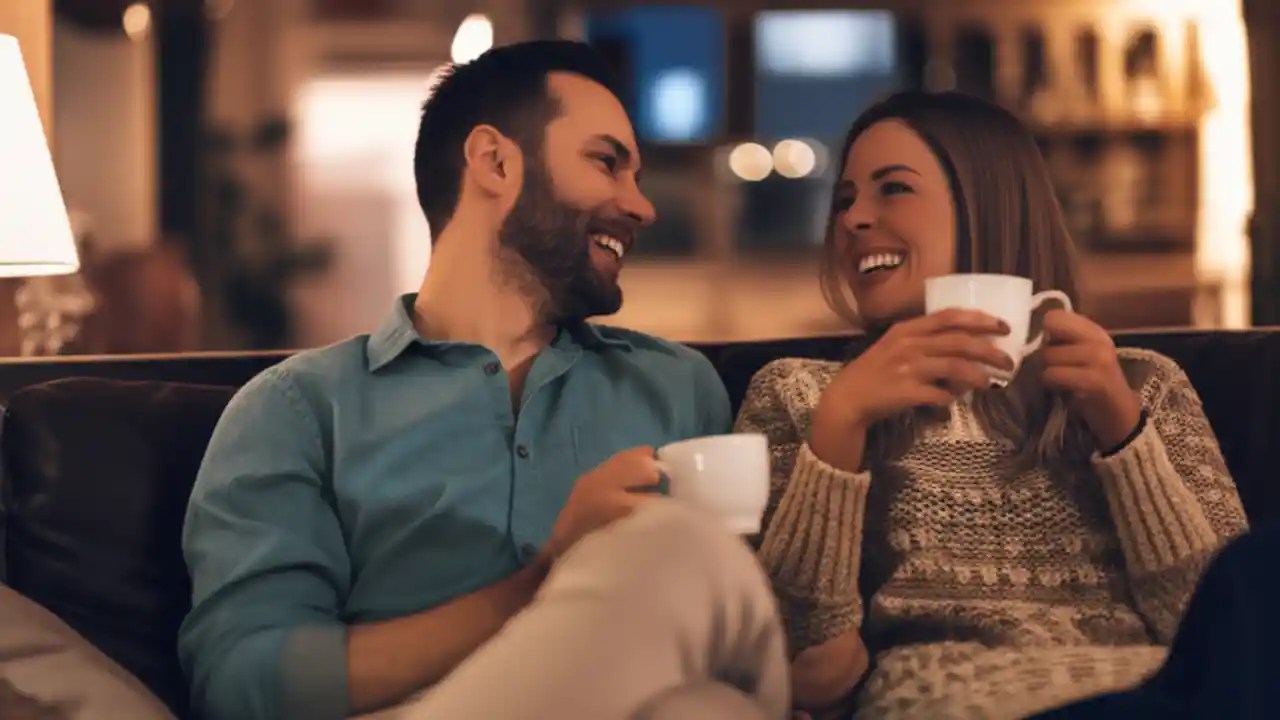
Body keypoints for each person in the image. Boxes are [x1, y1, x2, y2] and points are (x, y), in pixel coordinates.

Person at [179, 40, 789, 720]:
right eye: (606, 162)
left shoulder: (674, 385)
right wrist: (548, 578)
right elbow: (247, 684)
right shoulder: (298, 409)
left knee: (704, 706)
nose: (642, 206)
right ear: (495, 162)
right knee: (674, 554)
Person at [734, 90, 1250, 719]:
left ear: (988, 206)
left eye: (893, 189)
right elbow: (800, 674)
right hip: (965, 699)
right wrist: (839, 429)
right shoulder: (801, 395)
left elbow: (1230, 629)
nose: (852, 219)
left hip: (1156, 697)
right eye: (844, 199)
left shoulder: (1144, 386)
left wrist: (1123, 432)